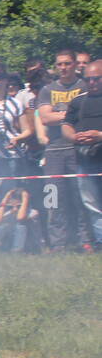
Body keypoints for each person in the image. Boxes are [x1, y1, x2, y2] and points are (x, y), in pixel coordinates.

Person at [38, 49, 91, 251]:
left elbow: (86, 114)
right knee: (52, 198)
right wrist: (71, 114)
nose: (63, 68)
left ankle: (85, 240)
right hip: (53, 151)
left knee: (81, 196)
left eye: (67, 63)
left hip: (78, 148)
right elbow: (44, 118)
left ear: (75, 65)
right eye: (59, 64)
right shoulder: (47, 89)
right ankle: (58, 243)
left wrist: (59, 113)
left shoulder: (85, 86)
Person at [64, 60, 102, 245]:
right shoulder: (78, 101)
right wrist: (74, 137)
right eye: (88, 79)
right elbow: (66, 125)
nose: (92, 83)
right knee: (92, 205)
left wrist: (99, 135)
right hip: (85, 160)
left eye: (96, 79)